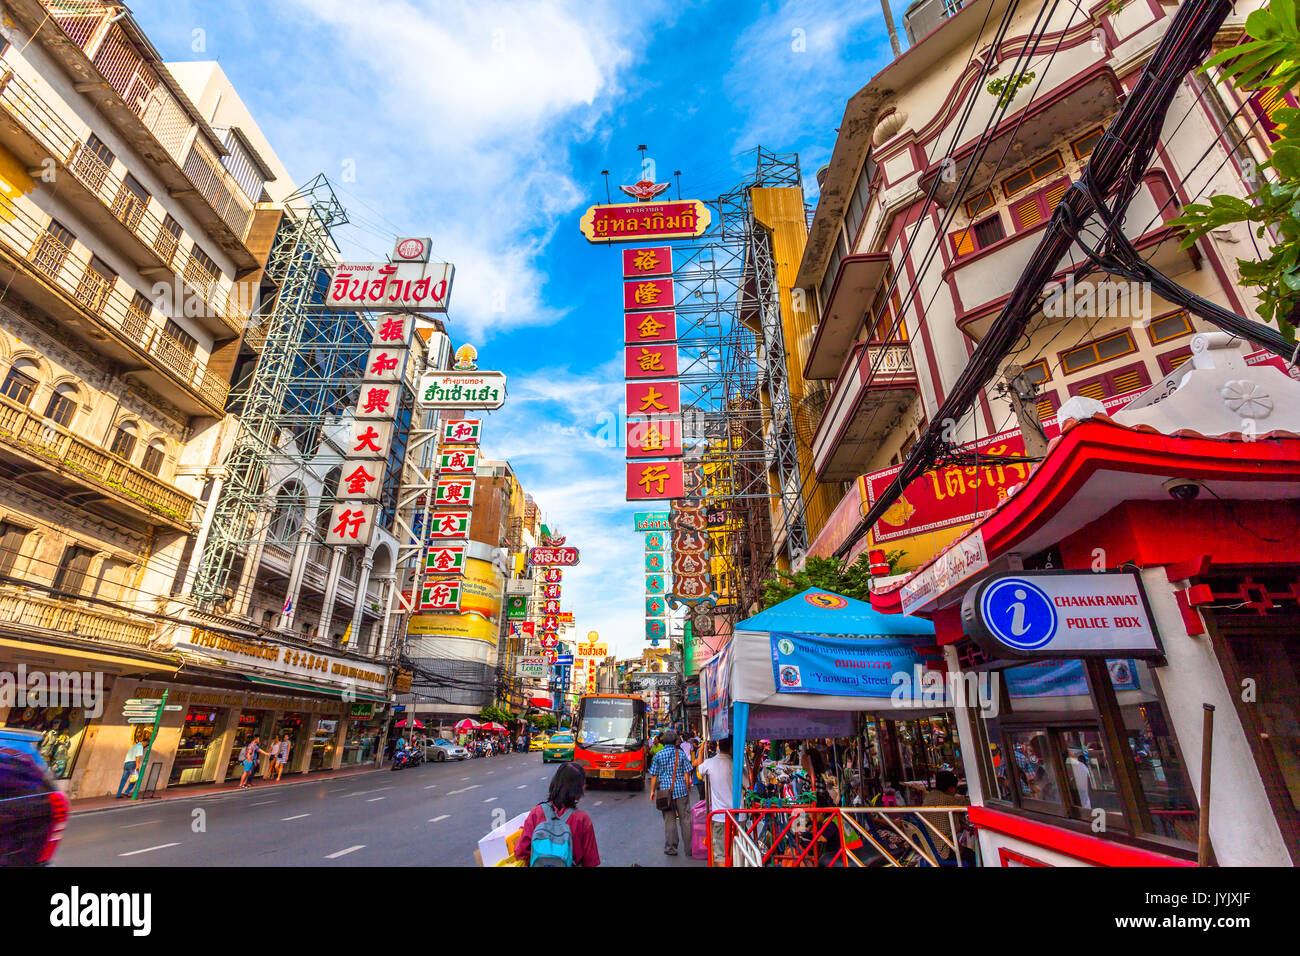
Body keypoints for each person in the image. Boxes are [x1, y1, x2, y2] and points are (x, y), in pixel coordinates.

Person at [514, 762, 600, 867]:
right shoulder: (582, 819)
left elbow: (520, 851)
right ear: (578, 788)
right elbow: (591, 861)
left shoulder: (537, 812)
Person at [648, 729, 692, 856]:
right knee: (685, 819)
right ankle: (689, 849)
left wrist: (652, 791)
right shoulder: (681, 754)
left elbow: (654, 775)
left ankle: (671, 848)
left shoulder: (658, 755)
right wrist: (687, 785)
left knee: (669, 820)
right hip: (681, 792)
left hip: (664, 792)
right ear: (675, 741)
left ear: (663, 740)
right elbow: (686, 773)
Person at [694, 737, 734, 866]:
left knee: (720, 854)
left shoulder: (709, 763)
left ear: (718, 746)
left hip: (720, 815)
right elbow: (748, 783)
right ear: (732, 748)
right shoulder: (736, 764)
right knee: (735, 850)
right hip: (738, 815)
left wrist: (700, 752)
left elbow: (699, 774)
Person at [920, 770, 974, 864]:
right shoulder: (948, 800)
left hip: (930, 847)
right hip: (944, 850)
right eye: (955, 788)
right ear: (951, 788)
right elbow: (956, 828)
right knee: (972, 856)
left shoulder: (929, 796)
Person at [116, 732, 146, 798]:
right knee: (135, 778)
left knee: (123, 779)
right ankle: (127, 792)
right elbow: (137, 756)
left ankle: (118, 794)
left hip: (126, 763)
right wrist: (137, 765)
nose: (145, 746)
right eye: (145, 744)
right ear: (144, 742)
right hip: (133, 764)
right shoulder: (140, 746)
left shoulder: (133, 746)